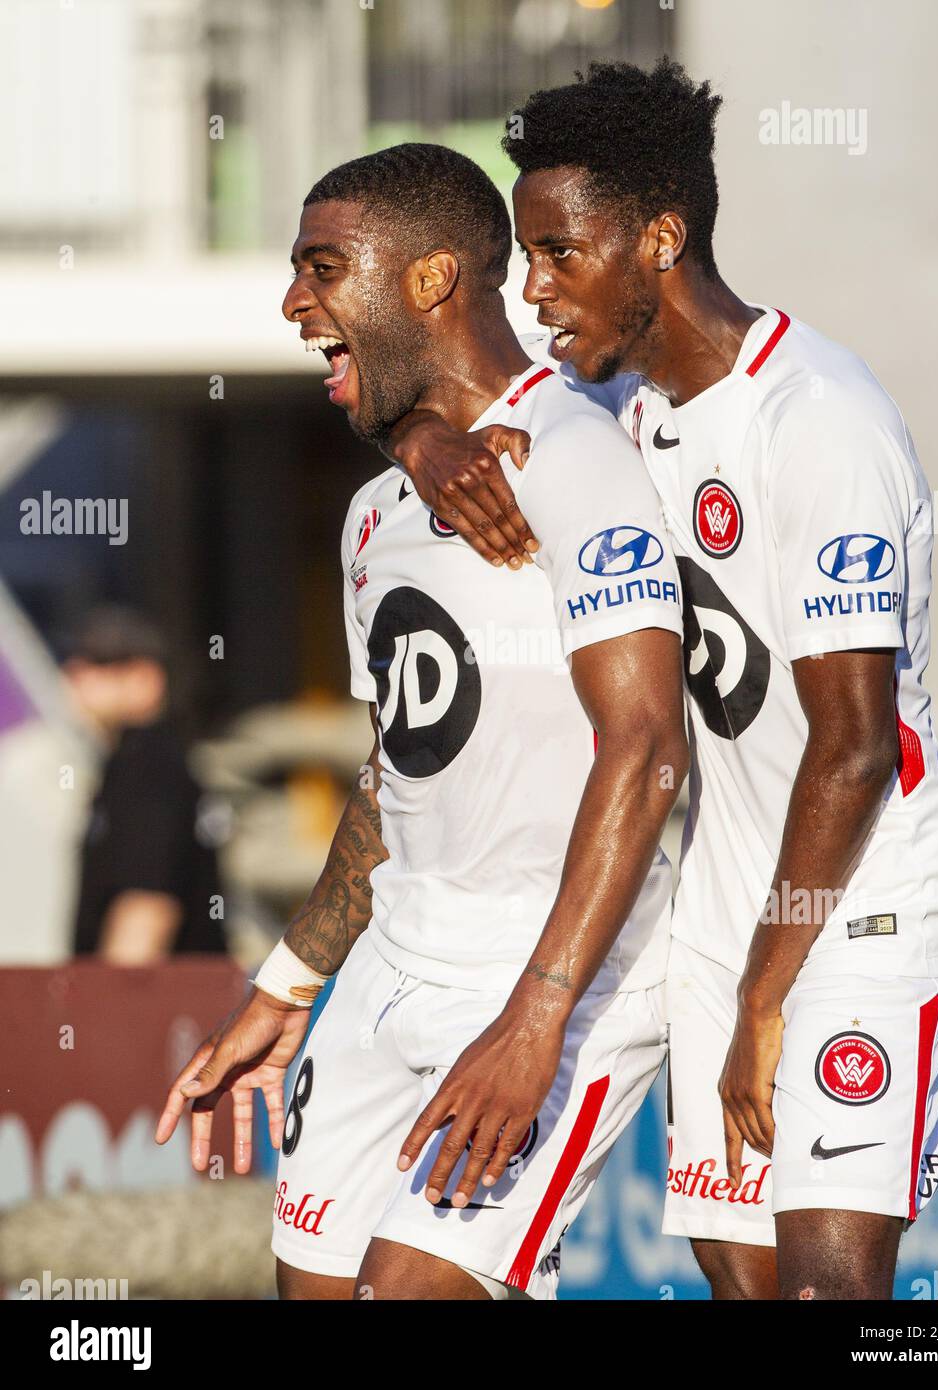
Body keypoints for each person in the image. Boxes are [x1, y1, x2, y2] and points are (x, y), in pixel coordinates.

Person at [388, 60, 938, 1301]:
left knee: (830, 1296)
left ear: (659, 239)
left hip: (851, 908)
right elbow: (422, 387)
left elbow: (853, 745)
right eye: (526, 255)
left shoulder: (817, 420)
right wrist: (431, 440)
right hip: (717, 914)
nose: (536, 289)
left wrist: (769, 992)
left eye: (558, 253)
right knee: (750, 1288)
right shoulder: (615, 405)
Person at [156, 143, 688, 1301]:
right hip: (392, 970)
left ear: (433, 277)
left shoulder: (579, 457)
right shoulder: (373, 515)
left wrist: (536, 1016)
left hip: (554, 981)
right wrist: (286, 986)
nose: (296, 302)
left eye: (324, 267)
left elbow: (648, 749)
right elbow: (395, 779)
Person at [65, 605, 225, 962]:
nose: (75, 672)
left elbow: (145, 910)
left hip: (158, 1009)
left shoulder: (147, 764)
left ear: (145, 678)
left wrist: (103, 1011)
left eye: (101, 663)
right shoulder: (140, 761)